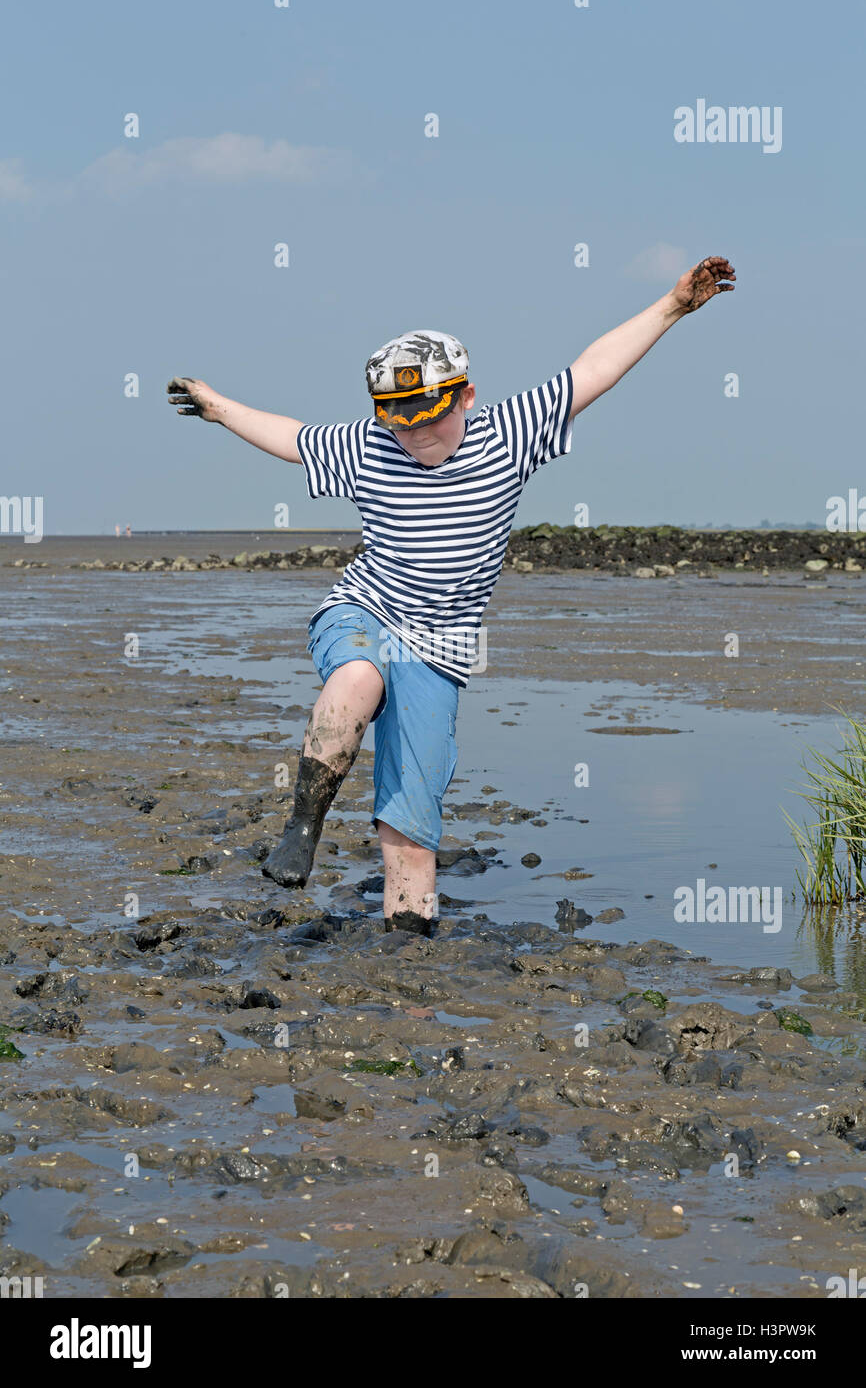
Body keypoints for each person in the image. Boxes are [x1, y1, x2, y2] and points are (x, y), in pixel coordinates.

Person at [167, 256, 735, 933]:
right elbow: (290, 437)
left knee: (411, 821)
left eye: (428, 419)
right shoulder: (366, 443)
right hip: (363, 611)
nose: (413, 435)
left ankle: (408, 942)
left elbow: (594, 369)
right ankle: (301, 828)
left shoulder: (512, 431)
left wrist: (672, 307)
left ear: (465, 396)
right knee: (356, 676)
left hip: (439, 649)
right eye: (399, 422)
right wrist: (215, 405)